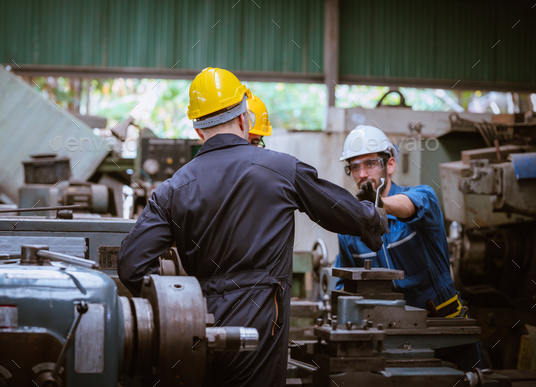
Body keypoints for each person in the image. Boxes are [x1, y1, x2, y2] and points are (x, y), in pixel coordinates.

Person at [118, 68, 388, 387]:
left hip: (194, 329)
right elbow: (349, 216)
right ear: (245, 119)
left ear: (197, 129)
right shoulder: (281, 169)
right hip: (260, 323)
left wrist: (181, 306)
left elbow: (132, 266)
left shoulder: (172, 189)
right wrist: (374, 214)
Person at [334, 124, 485, 370]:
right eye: (354, 166)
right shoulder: (349, 231)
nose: (362, 174)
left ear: (390, 164)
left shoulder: (422, 198)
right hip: (391, 340)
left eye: (370, 163)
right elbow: (345, 287)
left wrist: (379, 204)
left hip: (447, 331)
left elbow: (413, 205)